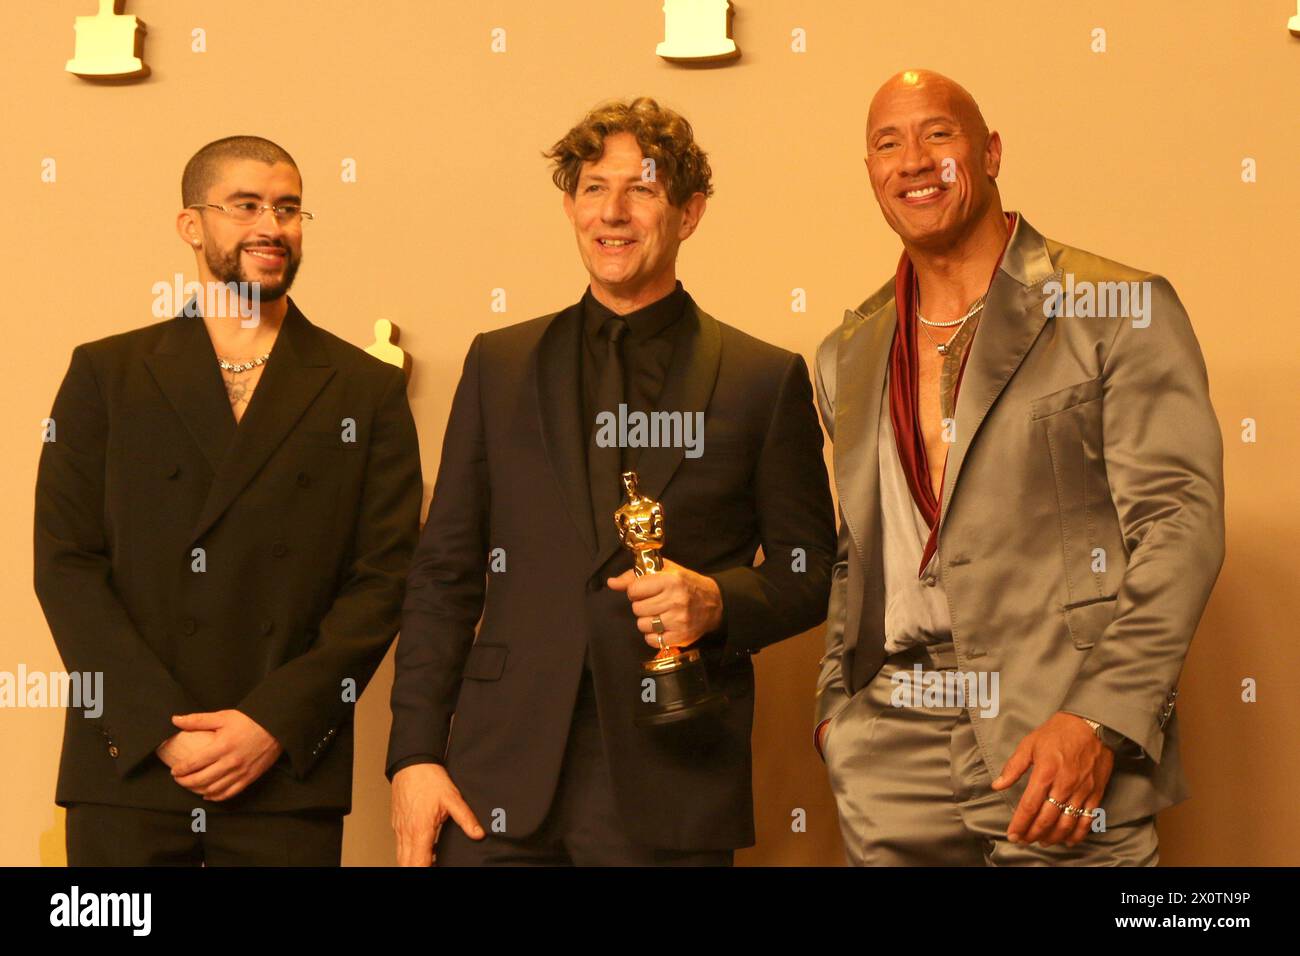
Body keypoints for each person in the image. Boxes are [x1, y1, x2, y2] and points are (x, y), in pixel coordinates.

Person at [387, 97, 835, 866]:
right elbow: (443, 572)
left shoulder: (765, 379)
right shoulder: (500, 364)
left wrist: (720, 601)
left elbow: (814, 569)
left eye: (644, 189)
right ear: (570, 205)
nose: (614, 213)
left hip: (672, 776)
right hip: (495, 778)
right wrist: (414, 756)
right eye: (594, 188)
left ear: (689, 212)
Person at [814, 70, 1224, 865]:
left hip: (1051, 726)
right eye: (886, 144)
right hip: (891, 742)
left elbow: (1180, 526)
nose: (912, 161)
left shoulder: (1116, 307)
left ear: (991, 151)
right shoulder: (849, 353)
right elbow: (856, 551)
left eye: (939, 134)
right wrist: (839, 711)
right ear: (869, 172)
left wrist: (1099, 717)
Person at [34, 135, 422, 865]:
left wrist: (273, 723)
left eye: (289, 208)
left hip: (284, 776)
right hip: (129, 766)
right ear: (191, 225)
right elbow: (65, 566)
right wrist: (158, 727)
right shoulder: (106, 374)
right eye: (245, 205)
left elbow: (384, 580)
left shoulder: (363, 390)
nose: (270, 226)